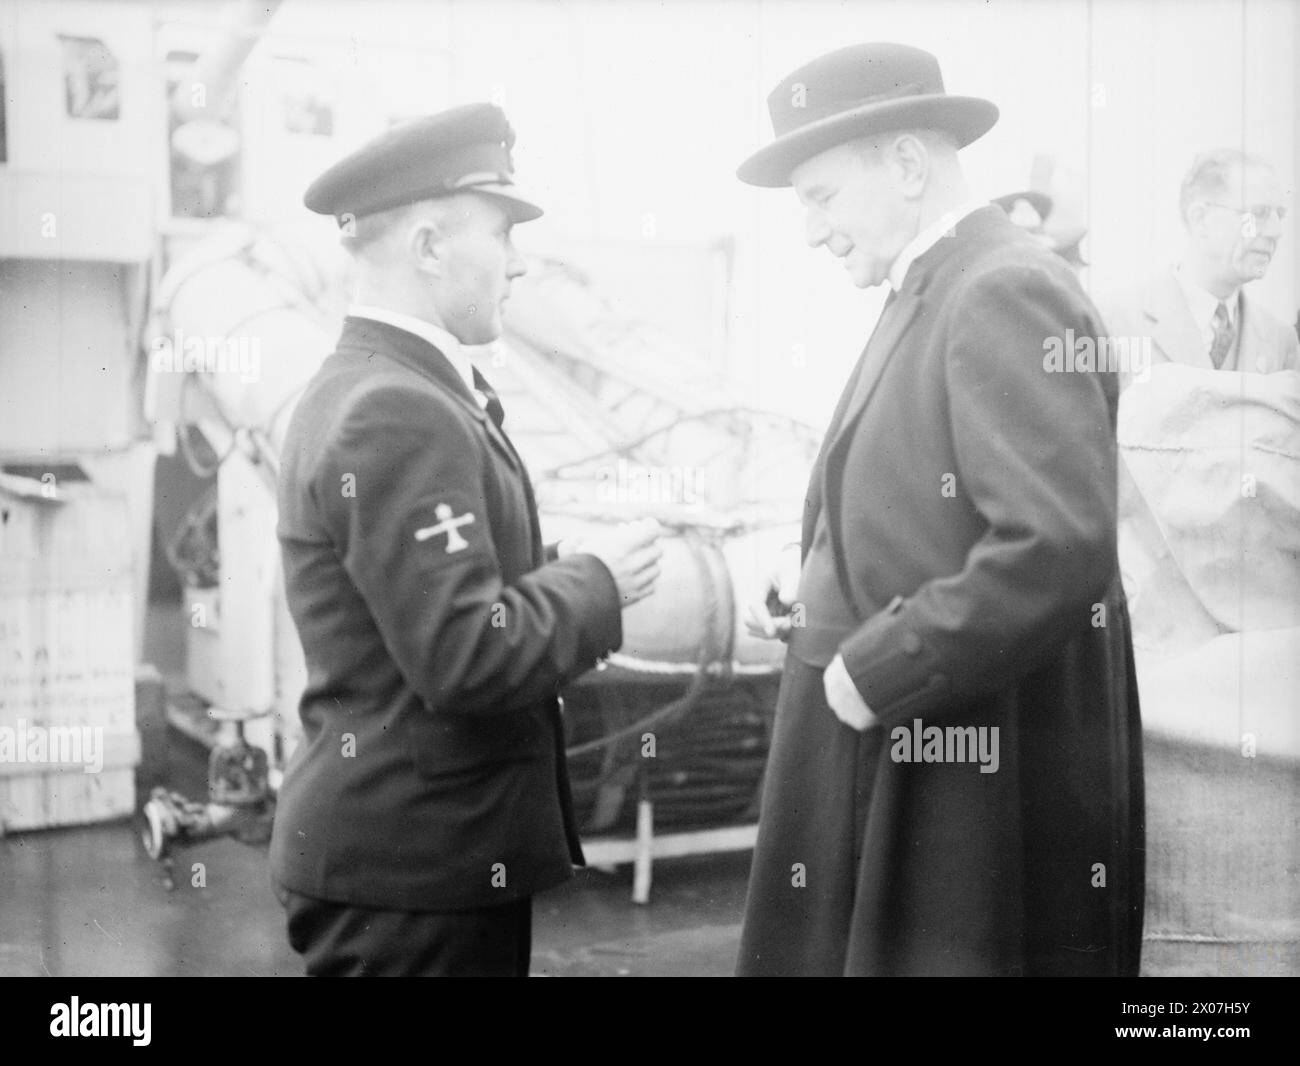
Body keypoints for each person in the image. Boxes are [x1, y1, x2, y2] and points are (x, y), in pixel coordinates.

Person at [735, 43, 1144, 976]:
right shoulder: (936, 284)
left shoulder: (1002, 289)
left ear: (909, 165)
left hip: (957, 774)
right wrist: (811, 571)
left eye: (821, 196)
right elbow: (916, 500)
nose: (810, 230)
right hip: (915, 749)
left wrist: (883, 667)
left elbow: (1055, 544)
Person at [269, 103, 662, 976]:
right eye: (502, 233)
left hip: (413, 863)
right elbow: (464, 656)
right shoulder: (397, 409)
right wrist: (598, 581)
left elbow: (427, 612)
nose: (520, 264)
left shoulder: (370, 388)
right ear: (429, 246)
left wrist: (549, 572)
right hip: (416, 875)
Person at [1102, 149, 1298, 378]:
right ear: (1200, 219)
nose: (1276, 231)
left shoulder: (1280, 340)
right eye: (1258, 213)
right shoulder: (1115, 322)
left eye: (1280, 215)